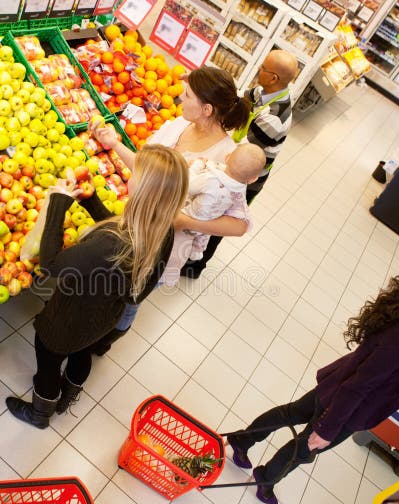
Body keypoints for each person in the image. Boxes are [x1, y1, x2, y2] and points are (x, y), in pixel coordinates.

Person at [225, 263, 399, 504]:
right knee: (306, 447)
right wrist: (328, 428)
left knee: (291, 412)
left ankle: (241, 440)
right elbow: (360, 386)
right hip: (349, 406)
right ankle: (267, 479)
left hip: (338, 382)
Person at [5, 145, 189, 429]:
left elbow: (51, 265)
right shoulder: (160, 232)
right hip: (104, 318)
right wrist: (91, 203)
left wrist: (58, 203)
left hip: (67, 320)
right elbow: (136, 287)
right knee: (81, 353)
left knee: (48, 360)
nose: (130, 175)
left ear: (144, 189)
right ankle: (68, 395)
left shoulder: (111, 244)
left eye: (136, 173)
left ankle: (40, 413)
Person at [89, 67, 252, 353]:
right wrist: (113, 144)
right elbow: (145, 167)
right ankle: (93, 324)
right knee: (111, 283)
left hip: (163, 246)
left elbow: (239, 225)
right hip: (133, 224)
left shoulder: (227, 156)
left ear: (206, 109)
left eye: (187, 95)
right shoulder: (179, 125)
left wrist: (185, 221)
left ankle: (104, 341)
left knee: (131, 297)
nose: (180, 98)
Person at [183, 50, 299, 279]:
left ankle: (196, 266)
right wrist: (203, 91)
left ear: (274, 78)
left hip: (245, 176)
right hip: (233, 163)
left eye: (263, 68)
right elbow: (237, 101)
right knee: (209, 205)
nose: (258, 69)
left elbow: (246, 154)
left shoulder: (275, 117)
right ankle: (191, 249)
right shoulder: (263, 91)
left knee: (221, 219)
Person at [160, 143, 267, 287]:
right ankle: (195, 252)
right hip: (207, 224)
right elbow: (241, 215)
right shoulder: (239, 194)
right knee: (188, 246)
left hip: (188, 213)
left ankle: (159, 269)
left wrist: (196, 165)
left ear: (227, 157)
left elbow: (189, 185)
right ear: (253, 179)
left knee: (169, 243)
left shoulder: (210, 179)